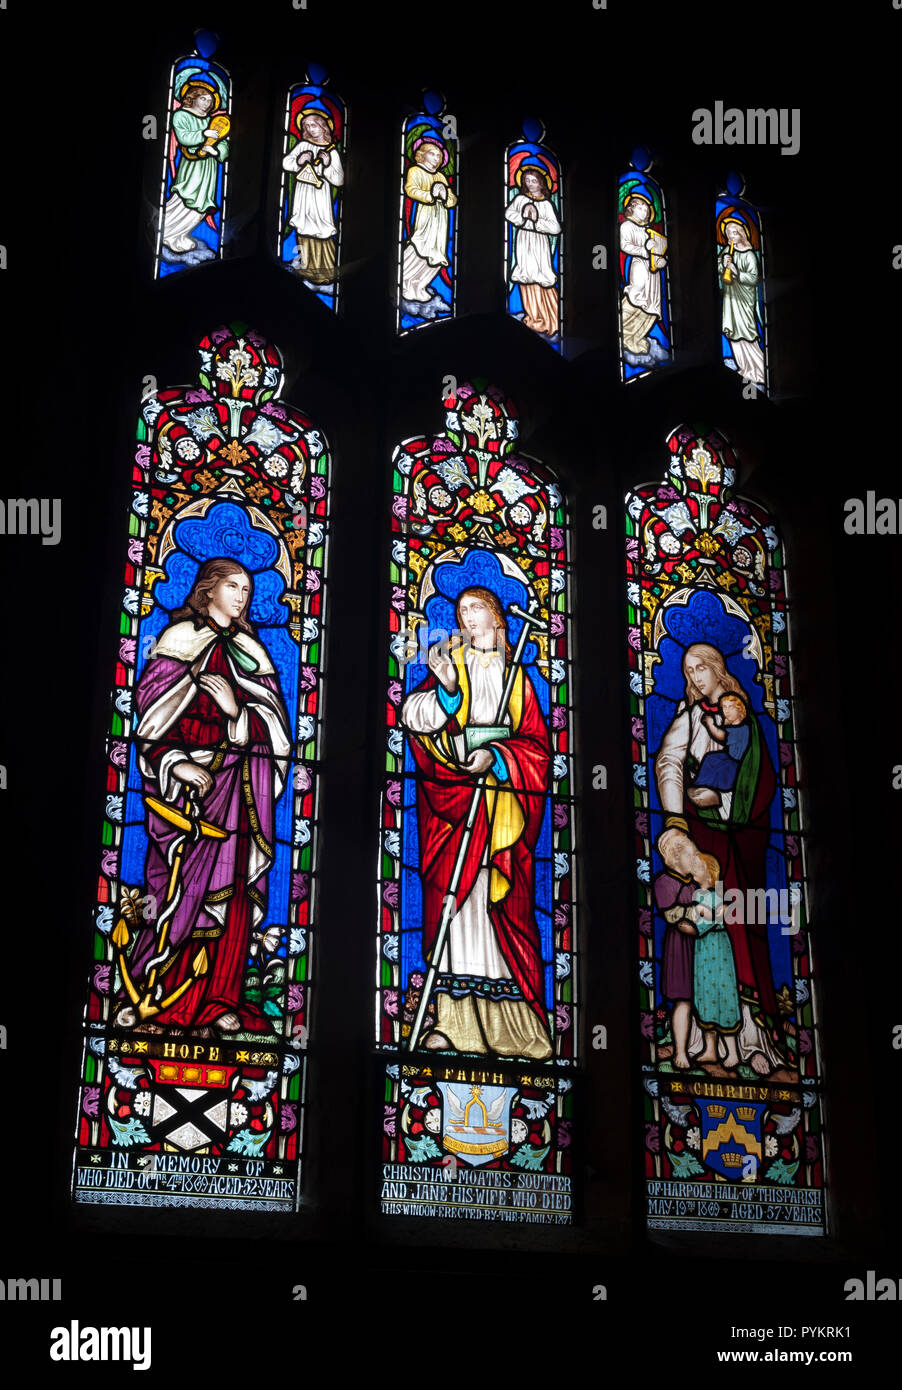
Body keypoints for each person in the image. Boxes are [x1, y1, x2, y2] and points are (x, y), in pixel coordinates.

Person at [121, 558, 291, 1035]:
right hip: (182, 793)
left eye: (247, 589)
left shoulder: (252, 651)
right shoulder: (177, 641)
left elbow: (275, 733)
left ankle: (219, 999)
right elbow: (152, 720)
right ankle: (156, 993)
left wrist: (235, 711)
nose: (241, 596)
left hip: (239, 787)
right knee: (178, 890)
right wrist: (177, 763)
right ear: (208, 589)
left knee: (233, 892)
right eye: (232, 586)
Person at [401, 587, 552, 1059]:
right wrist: (446, 689)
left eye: (476, 609)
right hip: (453, 802)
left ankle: (510, 1030)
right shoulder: (452, 664)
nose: (467, 618)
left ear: (497, 619)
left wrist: (500, 756)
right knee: (455, 902)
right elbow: (413, 716)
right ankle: (451, 1022)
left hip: (503, 806)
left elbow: (539, 750)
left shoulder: (518, 679)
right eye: (461, 612)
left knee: (498, 905)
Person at [654, 642, 786, 1075]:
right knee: (708, 940)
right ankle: (697, 1040)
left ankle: (752, 1037)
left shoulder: (744, 721)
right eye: (688, 672)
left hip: (737, 841)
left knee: (742, 931)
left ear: (717, 670)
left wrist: (725, 799)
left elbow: (760, 780)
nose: (694, 679)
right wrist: (675, 818)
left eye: (700, 670)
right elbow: (668, 761)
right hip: (702, 835)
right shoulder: (689, 718)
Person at [161, 80, 229, 258]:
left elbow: (224, 144)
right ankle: (166, 231)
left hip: (209, 167)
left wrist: (216, 150)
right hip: (192, 167)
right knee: (186, 196)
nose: (208, 103)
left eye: (210, 100)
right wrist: (203, 134)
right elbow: (184, 138)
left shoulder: (211, 121)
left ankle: (180, 235)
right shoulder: (181, 115)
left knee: (202, 203)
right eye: (203, 98)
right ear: (192, 98)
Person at [282, 110, 344, 288]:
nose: (311, 129)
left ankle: (324, 271)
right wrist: (300, 161)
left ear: (323, 127)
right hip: (303, 194)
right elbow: (287, 163)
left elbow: (339, 179)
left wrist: (325, 166)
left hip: (320, 196)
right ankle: (307, 267)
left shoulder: (331, 152)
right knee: (304, 226)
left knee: (320, 229)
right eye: (307, 126)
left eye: (314, 125)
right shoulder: (302, 145)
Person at [400, 138, 456, 316]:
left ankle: (420, 286)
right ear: (421, 155)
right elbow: (411, 190)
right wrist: (431, 194)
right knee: (419, 246)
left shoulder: (440, 176)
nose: (436, 158)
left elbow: (453, 200)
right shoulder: (416, 171)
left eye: (439, 155)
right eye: (432, 153)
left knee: (436, 253)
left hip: (441, 221)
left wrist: (445, 194)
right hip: (424, 216)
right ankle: (406, 281)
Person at [504, 166, 561, 338]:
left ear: (542, 183)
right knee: (526, 276)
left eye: (534, 181)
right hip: (523, 241)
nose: (530, 184)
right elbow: (509, 214)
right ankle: (532, 317)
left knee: (542, 276)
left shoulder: (546, 204)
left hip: (540, 243)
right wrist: (523, 216)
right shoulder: (521, 199)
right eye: (527, 181)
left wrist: (537, 220)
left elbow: (556, 227)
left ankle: (551, 319)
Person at [619, 193, 669, 367]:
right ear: (631, 209)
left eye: (646, 208)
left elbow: (657, 253)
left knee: (651, 304)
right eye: (640, 207)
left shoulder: (650, 231)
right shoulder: (627, 226)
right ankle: (622, 331)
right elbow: (625, 245)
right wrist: (644, 250)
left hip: (653, 272)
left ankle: (635, 337)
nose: (645, 211)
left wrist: (660, 259)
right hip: (639, 266)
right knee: (636, 296)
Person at [719, 213, 765, 387]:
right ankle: (745, 368)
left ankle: (757, 369)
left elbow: (753, 279)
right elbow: (718, 268)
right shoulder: (727, 251)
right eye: (729, 233)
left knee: (745, 331)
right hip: (729, 298)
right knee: (732, 330)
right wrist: (723, 264)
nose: (731, 236)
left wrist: (736, 271)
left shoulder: (750, 255)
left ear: (742, 234)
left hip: (744, 299)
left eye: (735, 232)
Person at [688, 692, 750, 802]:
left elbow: (721, 736)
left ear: (740, 710)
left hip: (734, 763)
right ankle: (703, 784)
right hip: (730, 758)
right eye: (724, 707)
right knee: (712, 758)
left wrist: (710, 724)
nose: (726, 711)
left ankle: (704, 785)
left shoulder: (741, 729)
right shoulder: (737, 726)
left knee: (713, 760)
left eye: (731, 707)